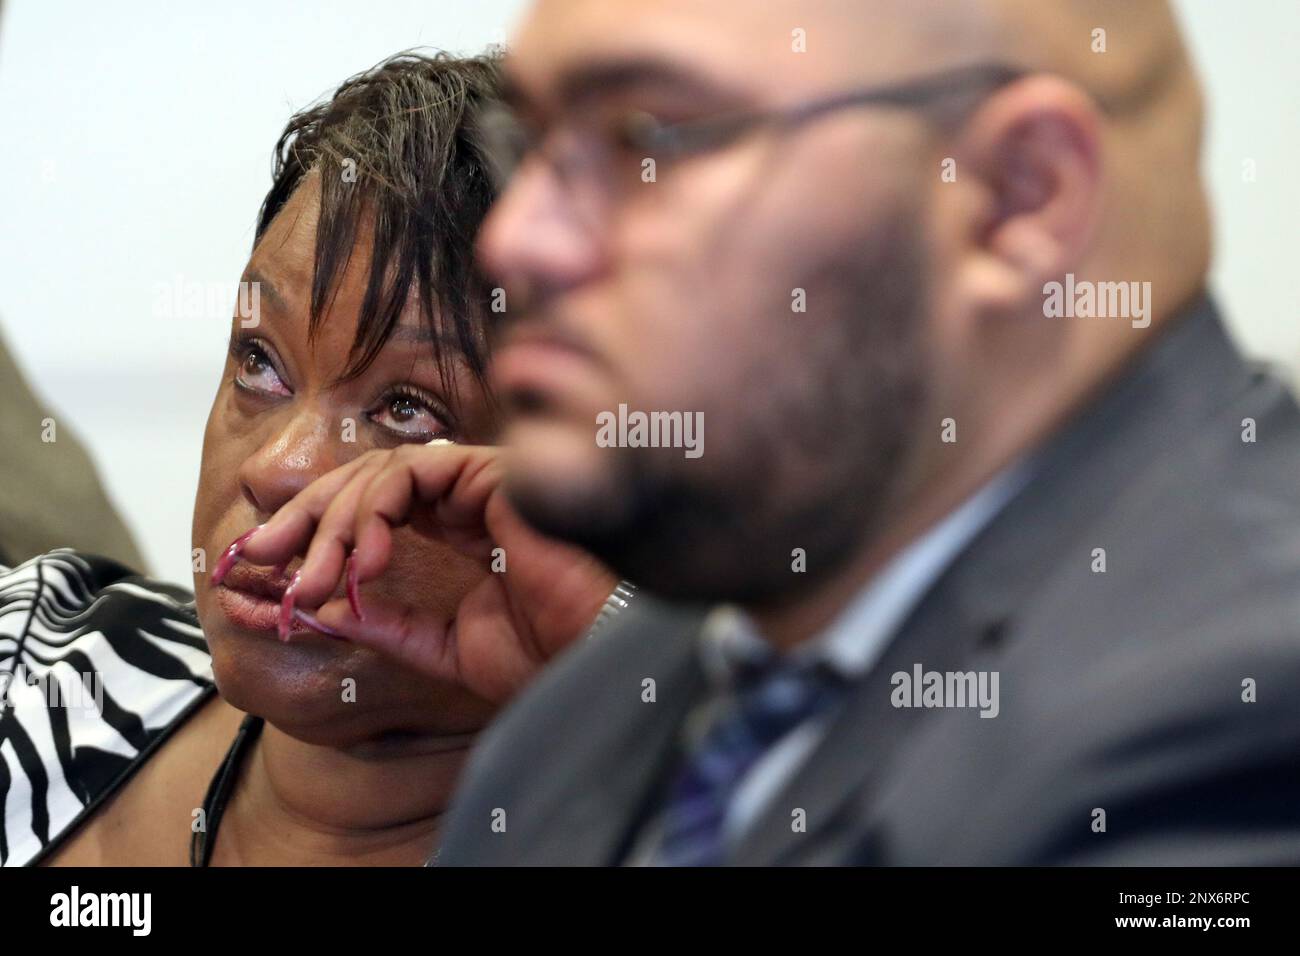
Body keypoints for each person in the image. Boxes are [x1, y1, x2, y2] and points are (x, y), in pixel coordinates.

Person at [251, 0, 1300, 865]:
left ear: (1014, 200)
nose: (519, 238)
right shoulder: (618, 691)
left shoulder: (1242, 722)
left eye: (647, 139)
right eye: (530, 148)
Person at [0, 51, 615, 867]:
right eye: (260, 363)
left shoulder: (651, 828)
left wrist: (613, 654)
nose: (280, 469)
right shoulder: (41, 662)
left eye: (406, 412)